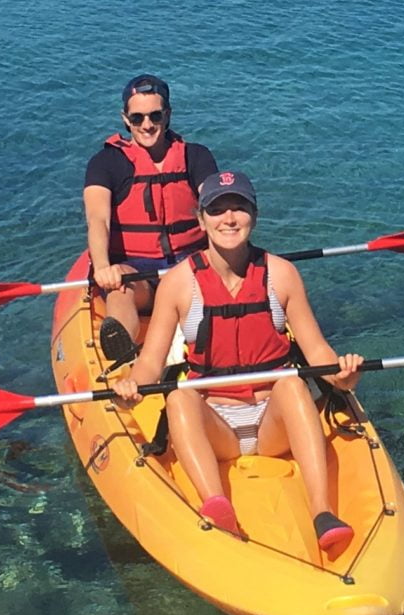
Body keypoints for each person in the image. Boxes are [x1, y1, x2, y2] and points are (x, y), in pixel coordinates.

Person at [112, 170, 365, 558]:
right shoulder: (179, 284)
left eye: (239, 208)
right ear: (201, 220)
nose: (229, 219)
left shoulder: (281, 274)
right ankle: (216, 504)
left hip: (272, 427)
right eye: (217, 209)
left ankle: (323, 514)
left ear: (254, 215)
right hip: (217, 430)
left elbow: (317, 353)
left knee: (294, 383)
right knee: (179, 397)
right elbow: (149, 364)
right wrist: (130, 389)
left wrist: (343, 377)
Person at [82, 73, 215, 359]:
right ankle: (122, 346)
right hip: (137, 273)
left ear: (167, 115)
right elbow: (98, 219)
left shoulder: (196, 156)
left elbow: (214, 204)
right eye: (138, 117)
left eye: (155, 116)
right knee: (121, 288)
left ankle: (205, 341)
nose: (147, 125)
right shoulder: (104, 163)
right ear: (125, 118)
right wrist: (104, 266)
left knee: (205, 286)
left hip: (189, 267)